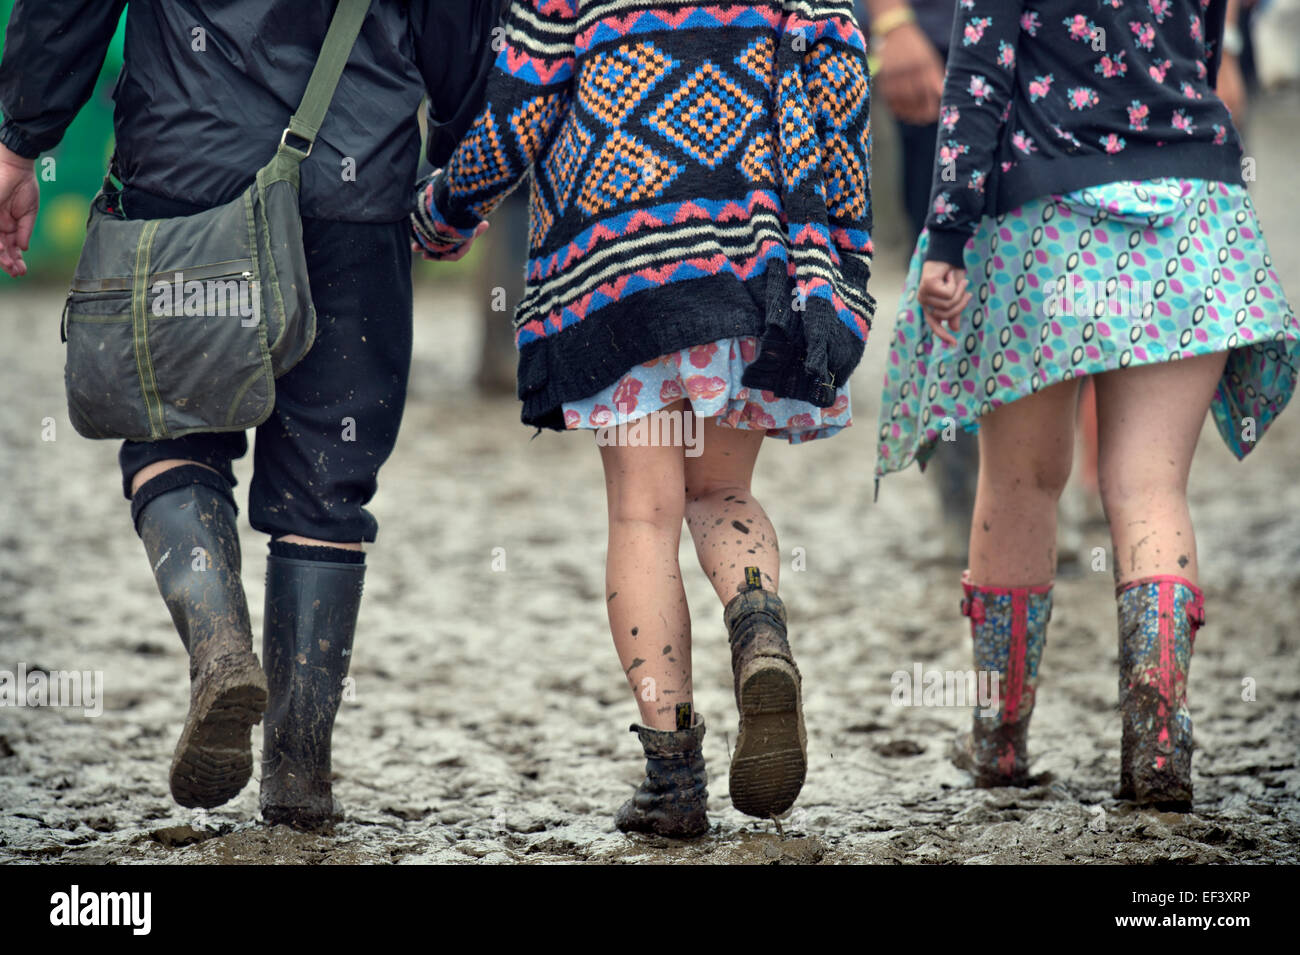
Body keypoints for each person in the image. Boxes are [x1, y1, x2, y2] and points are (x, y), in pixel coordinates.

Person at [0, 0, 498, 829]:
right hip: (355, 182)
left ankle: (219, 645)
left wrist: (22, 137)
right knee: (328, 490)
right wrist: (456, 159)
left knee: (168, 431)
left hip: (184, 172)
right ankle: (300, 775)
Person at [412, 0, 874, 835]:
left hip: (623, 267)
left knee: (643, 511)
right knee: (721, 491)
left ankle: (672, 780)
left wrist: (446, 207)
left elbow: (524, 107)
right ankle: (758, 624)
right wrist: (844, 255)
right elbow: (840, 85)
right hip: (760, 260)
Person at [874, 0, 1299, 809]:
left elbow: (977, 78)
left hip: (1045, 214)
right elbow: (1206, 51)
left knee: (1020, 484)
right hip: (1194, 208)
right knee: (1149, 488)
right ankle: (1159, 738)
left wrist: (949, 232)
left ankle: (1000, 739)